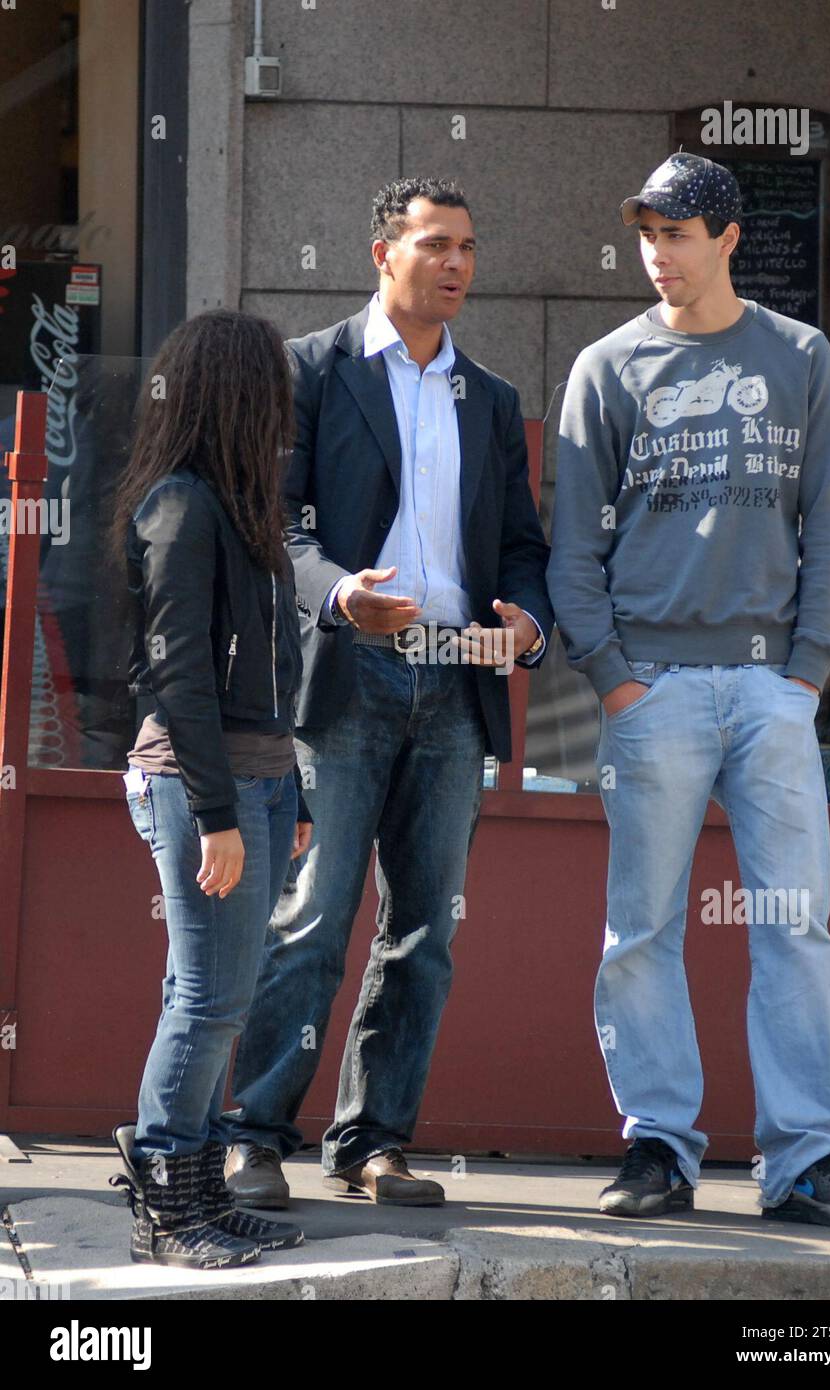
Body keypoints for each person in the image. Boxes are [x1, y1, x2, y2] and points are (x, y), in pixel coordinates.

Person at [547, 153, 830, 1228]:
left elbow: (829, 522)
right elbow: (571, 548)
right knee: (641, 928)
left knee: (795, 926)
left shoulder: (801, 355)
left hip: (768, 690)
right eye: (647, 233)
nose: (658, 254)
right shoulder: (607, 366)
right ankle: (657, 1144)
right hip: (651, 689)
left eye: (679, 233)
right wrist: (613, 681)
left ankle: (806, 1159)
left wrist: (806, 671)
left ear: (730, 238)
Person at [222, 176, 554, 1209]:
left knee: (424, 929)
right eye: (435, 243)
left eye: (467, 246)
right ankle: (256, 1134)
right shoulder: (311, 370)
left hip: (458, 683)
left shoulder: (490, 399)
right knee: (315, 913)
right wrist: (338, 596)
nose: (456, 263)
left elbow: (520, 550)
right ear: (383, 254)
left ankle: (374, 1141)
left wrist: (528, 624)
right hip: (348, 674)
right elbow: (276, 526)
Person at [107, 309, 311, 1267]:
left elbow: (271, 667)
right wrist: (222, 816)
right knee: (210, 997)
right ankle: (166, 1199)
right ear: (231, 393)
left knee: (209, 993)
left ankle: (192, 1187)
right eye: (269, 385)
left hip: (259, 783)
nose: (285, 404)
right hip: (200, 787)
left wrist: (292, 798)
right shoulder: (182, 505)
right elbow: (178, 676)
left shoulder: (240, 505)